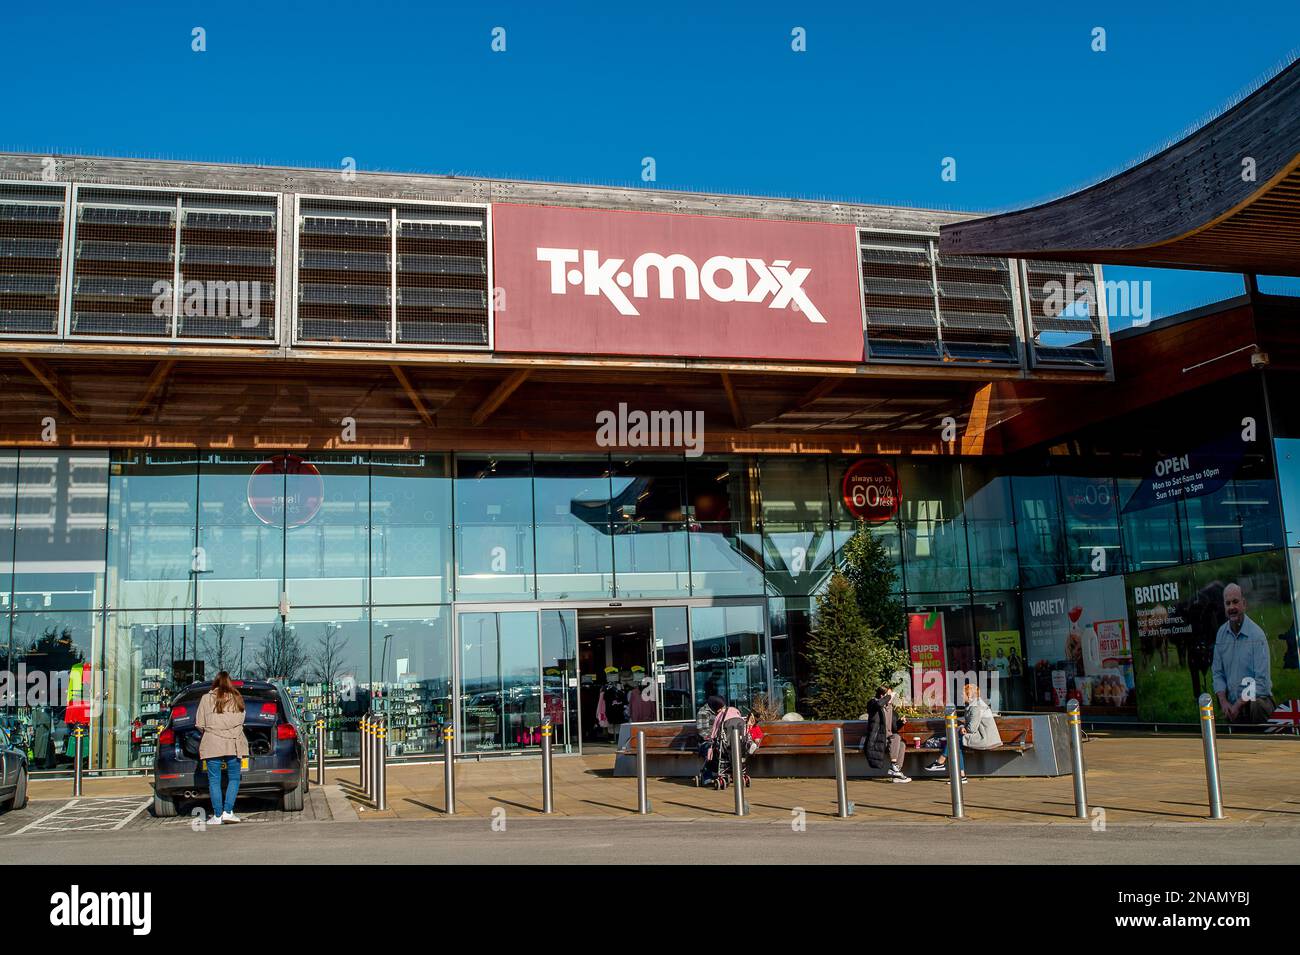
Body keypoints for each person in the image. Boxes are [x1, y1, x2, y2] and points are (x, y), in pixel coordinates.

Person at [1212, 583, 1275, 725]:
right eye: (1227, 603)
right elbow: (1217, 673)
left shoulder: (1256, 635)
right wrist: (1224, 702)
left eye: (1235, 602)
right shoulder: (1221, 634)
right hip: (1233, 705)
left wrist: (1238, 704)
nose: (1231, 607)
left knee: (1257, 704)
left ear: (1244, 604)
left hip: (1256, 703)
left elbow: (1262, 683)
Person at [195, 671, 249, 825]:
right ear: (230, 683)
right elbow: (242, 719)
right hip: (233, 743)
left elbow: (199, 723)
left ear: (215, 683)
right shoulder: (237, 698)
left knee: (214, 780)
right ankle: (228, 811)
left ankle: (217, 815)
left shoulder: (206, 699)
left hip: (212, 742)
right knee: (233, 778)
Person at [924, 682, 1002, 782]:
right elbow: (970, 726)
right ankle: (961, 776)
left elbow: (971, 728)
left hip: (985, 738)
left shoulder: (976, 707)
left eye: (963, 693)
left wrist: (962, 728)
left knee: (955, 741)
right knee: (956, 743)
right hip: (978, 735)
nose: (961, 695)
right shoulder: (971, 705)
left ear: (969, 695)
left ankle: (941, 761)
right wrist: (962, 728)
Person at [864, 684, 910, 782]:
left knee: (902, 744)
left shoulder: (890, 709)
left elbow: (893, 728)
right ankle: (893, 765)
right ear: (882, 695)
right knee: (897, 737)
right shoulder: (873, 703)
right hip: (878, 739)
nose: (892, 697)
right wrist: (889, 696)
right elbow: (878, 704)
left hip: (888, 739)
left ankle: (896, 773)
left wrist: (900, 723)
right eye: (889, 694)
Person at [694, 694, 723, 786]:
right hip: (705, 742)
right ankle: (707, 776)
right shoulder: (703, 713)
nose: (722, 709)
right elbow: (703, 732)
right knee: (711, 751)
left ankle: (726, 773)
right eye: (720, 707)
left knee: (727, 749)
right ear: (715, 706)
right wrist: (713, 738)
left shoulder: (720, 711)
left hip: (720, 740)